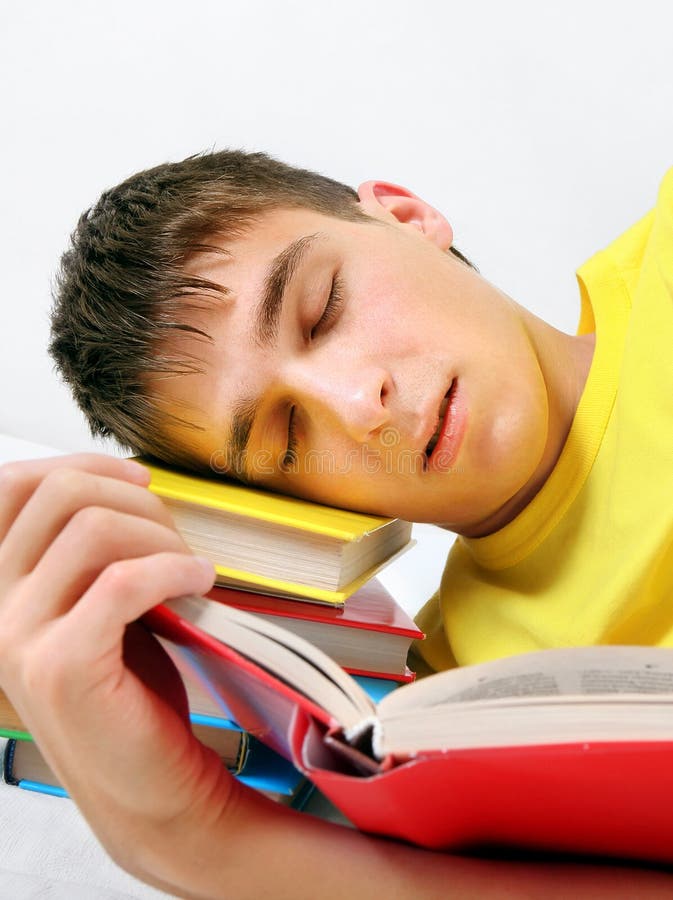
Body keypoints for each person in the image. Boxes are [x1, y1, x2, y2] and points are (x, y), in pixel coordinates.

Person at [0, 151, 671, 897]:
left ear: (409, 217)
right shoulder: (451, 708)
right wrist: (196, 842)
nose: (360, 405)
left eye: (323, 310)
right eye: (285, 438)